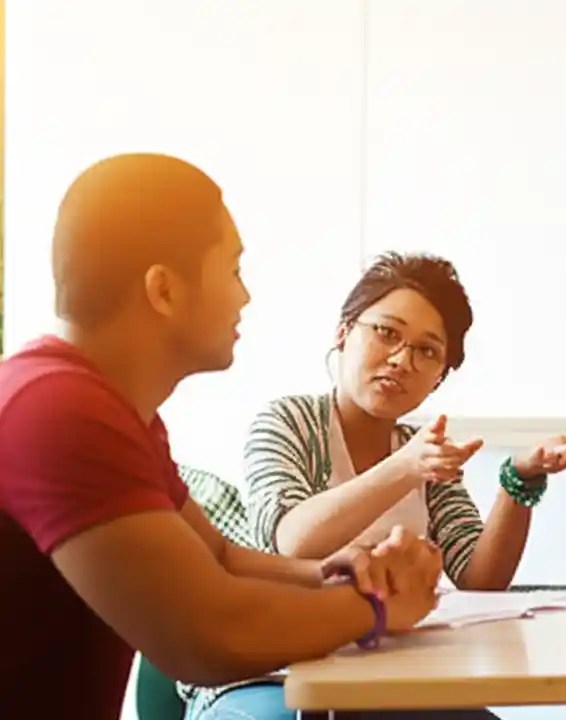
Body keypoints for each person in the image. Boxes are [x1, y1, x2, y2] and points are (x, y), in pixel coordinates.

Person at [0, 154, 441, 720]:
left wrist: (332, 572)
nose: (244, 296)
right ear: (164, 289)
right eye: (233, 270)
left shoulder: (113, 410)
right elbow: (206, 636)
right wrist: (376, 607)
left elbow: (219, 556)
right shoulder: (59, 409)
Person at [185, 251, 566, 718]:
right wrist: (405, 467)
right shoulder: (289, 422)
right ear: (344, 332)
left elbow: (480, 580)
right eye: (386, 332)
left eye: (427, 351)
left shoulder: (422, 450)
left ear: (438, 378)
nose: (402, 359)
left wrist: (519, 480)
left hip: (388, 672)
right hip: (268, 669)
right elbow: (290, 543)